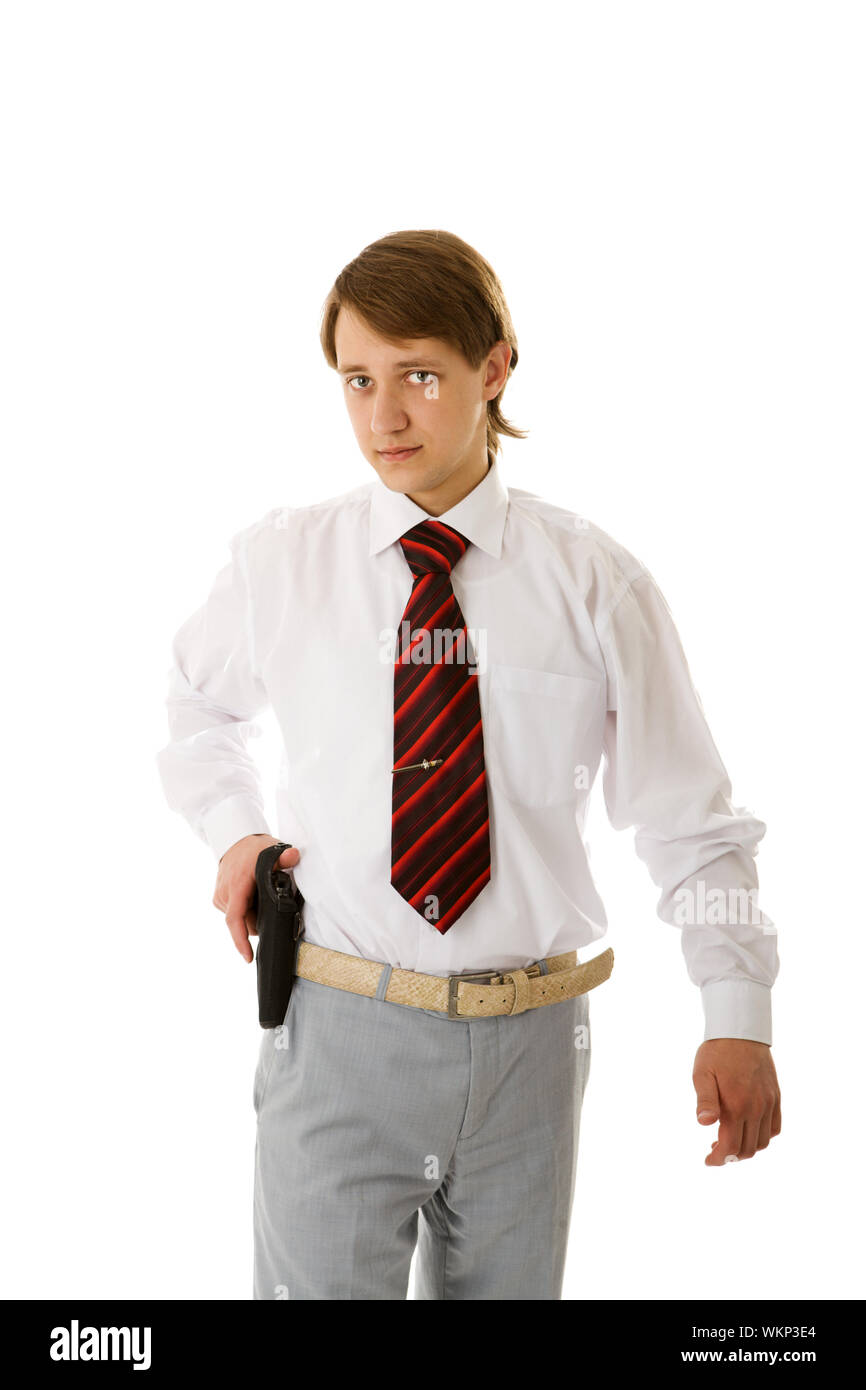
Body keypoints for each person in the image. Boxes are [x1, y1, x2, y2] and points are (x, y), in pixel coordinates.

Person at [156, 228, 781, 1301]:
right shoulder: (283, 565)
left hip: (529, 1054)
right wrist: (238, 830)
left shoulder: (594, 585)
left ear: (494, 370)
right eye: (357, 380)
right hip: (339, 1033)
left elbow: (691, 821)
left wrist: (736, 1014)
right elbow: (194, 707)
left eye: (419, 376)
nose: (383, 416)